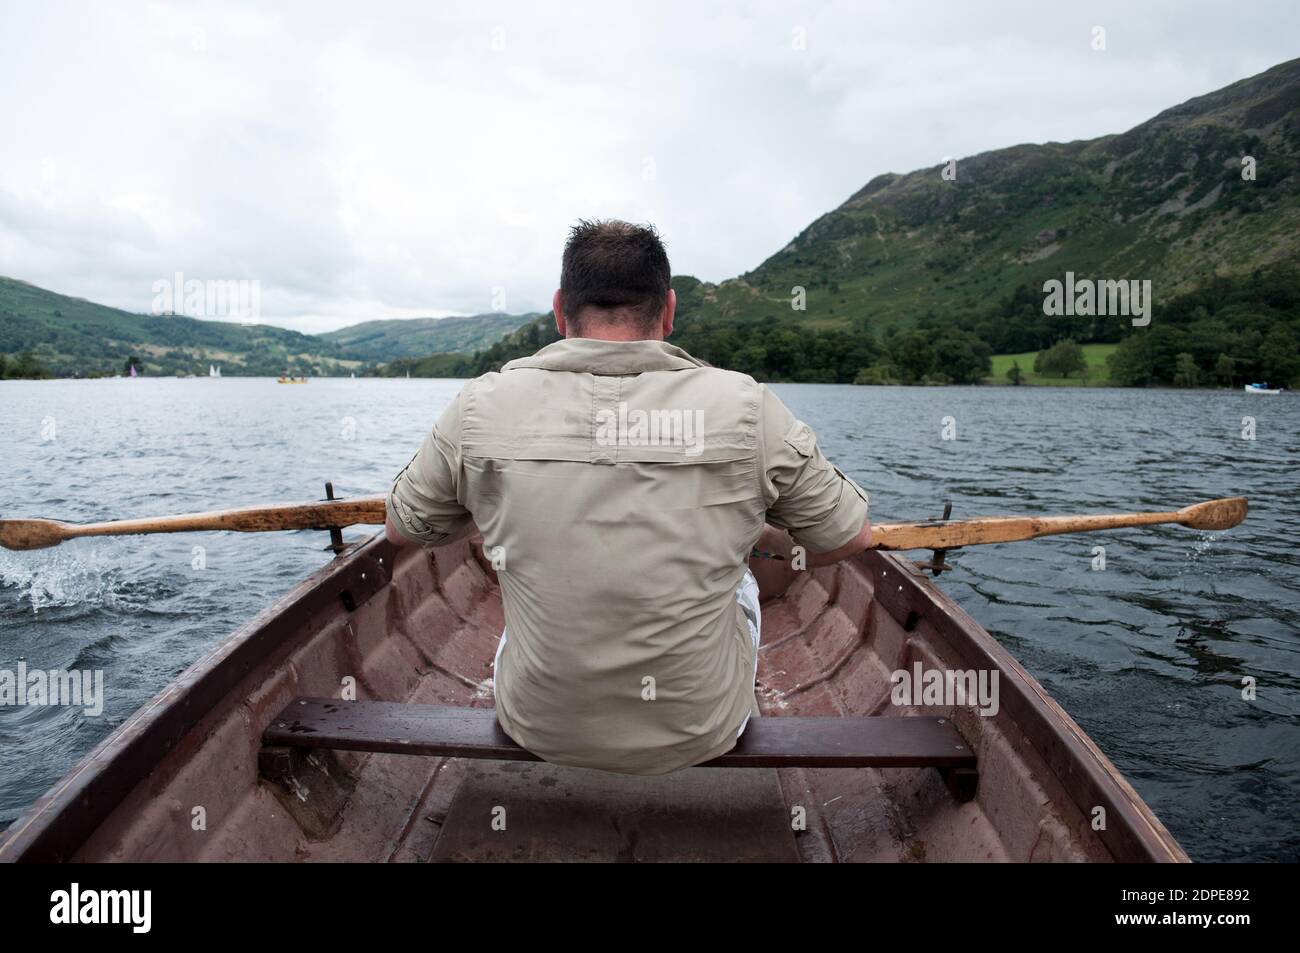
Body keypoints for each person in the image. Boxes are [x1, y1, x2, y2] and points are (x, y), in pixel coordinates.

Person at [385, 219, 870, 775]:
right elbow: (848, 536)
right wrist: (752, 535)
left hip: (535, 724)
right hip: (702, 731)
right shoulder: (746, 405)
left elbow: (404, 527)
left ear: (560, 309)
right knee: (739, 577)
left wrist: (489, 505)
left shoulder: (480, 406)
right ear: (668, 309)